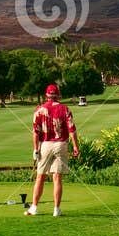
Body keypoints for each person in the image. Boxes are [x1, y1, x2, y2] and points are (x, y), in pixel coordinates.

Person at [28, 83, 79, 216]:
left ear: (46, 95)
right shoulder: (65, 109)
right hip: (61, 144)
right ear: (58, 95)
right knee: (57, 177)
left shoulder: (39, 109)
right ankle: (56, 209)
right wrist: (75, 147)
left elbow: (35, 132)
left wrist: (36, 149)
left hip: (45, 144)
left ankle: (34, 207)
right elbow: (72, 130)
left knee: (40, 176)